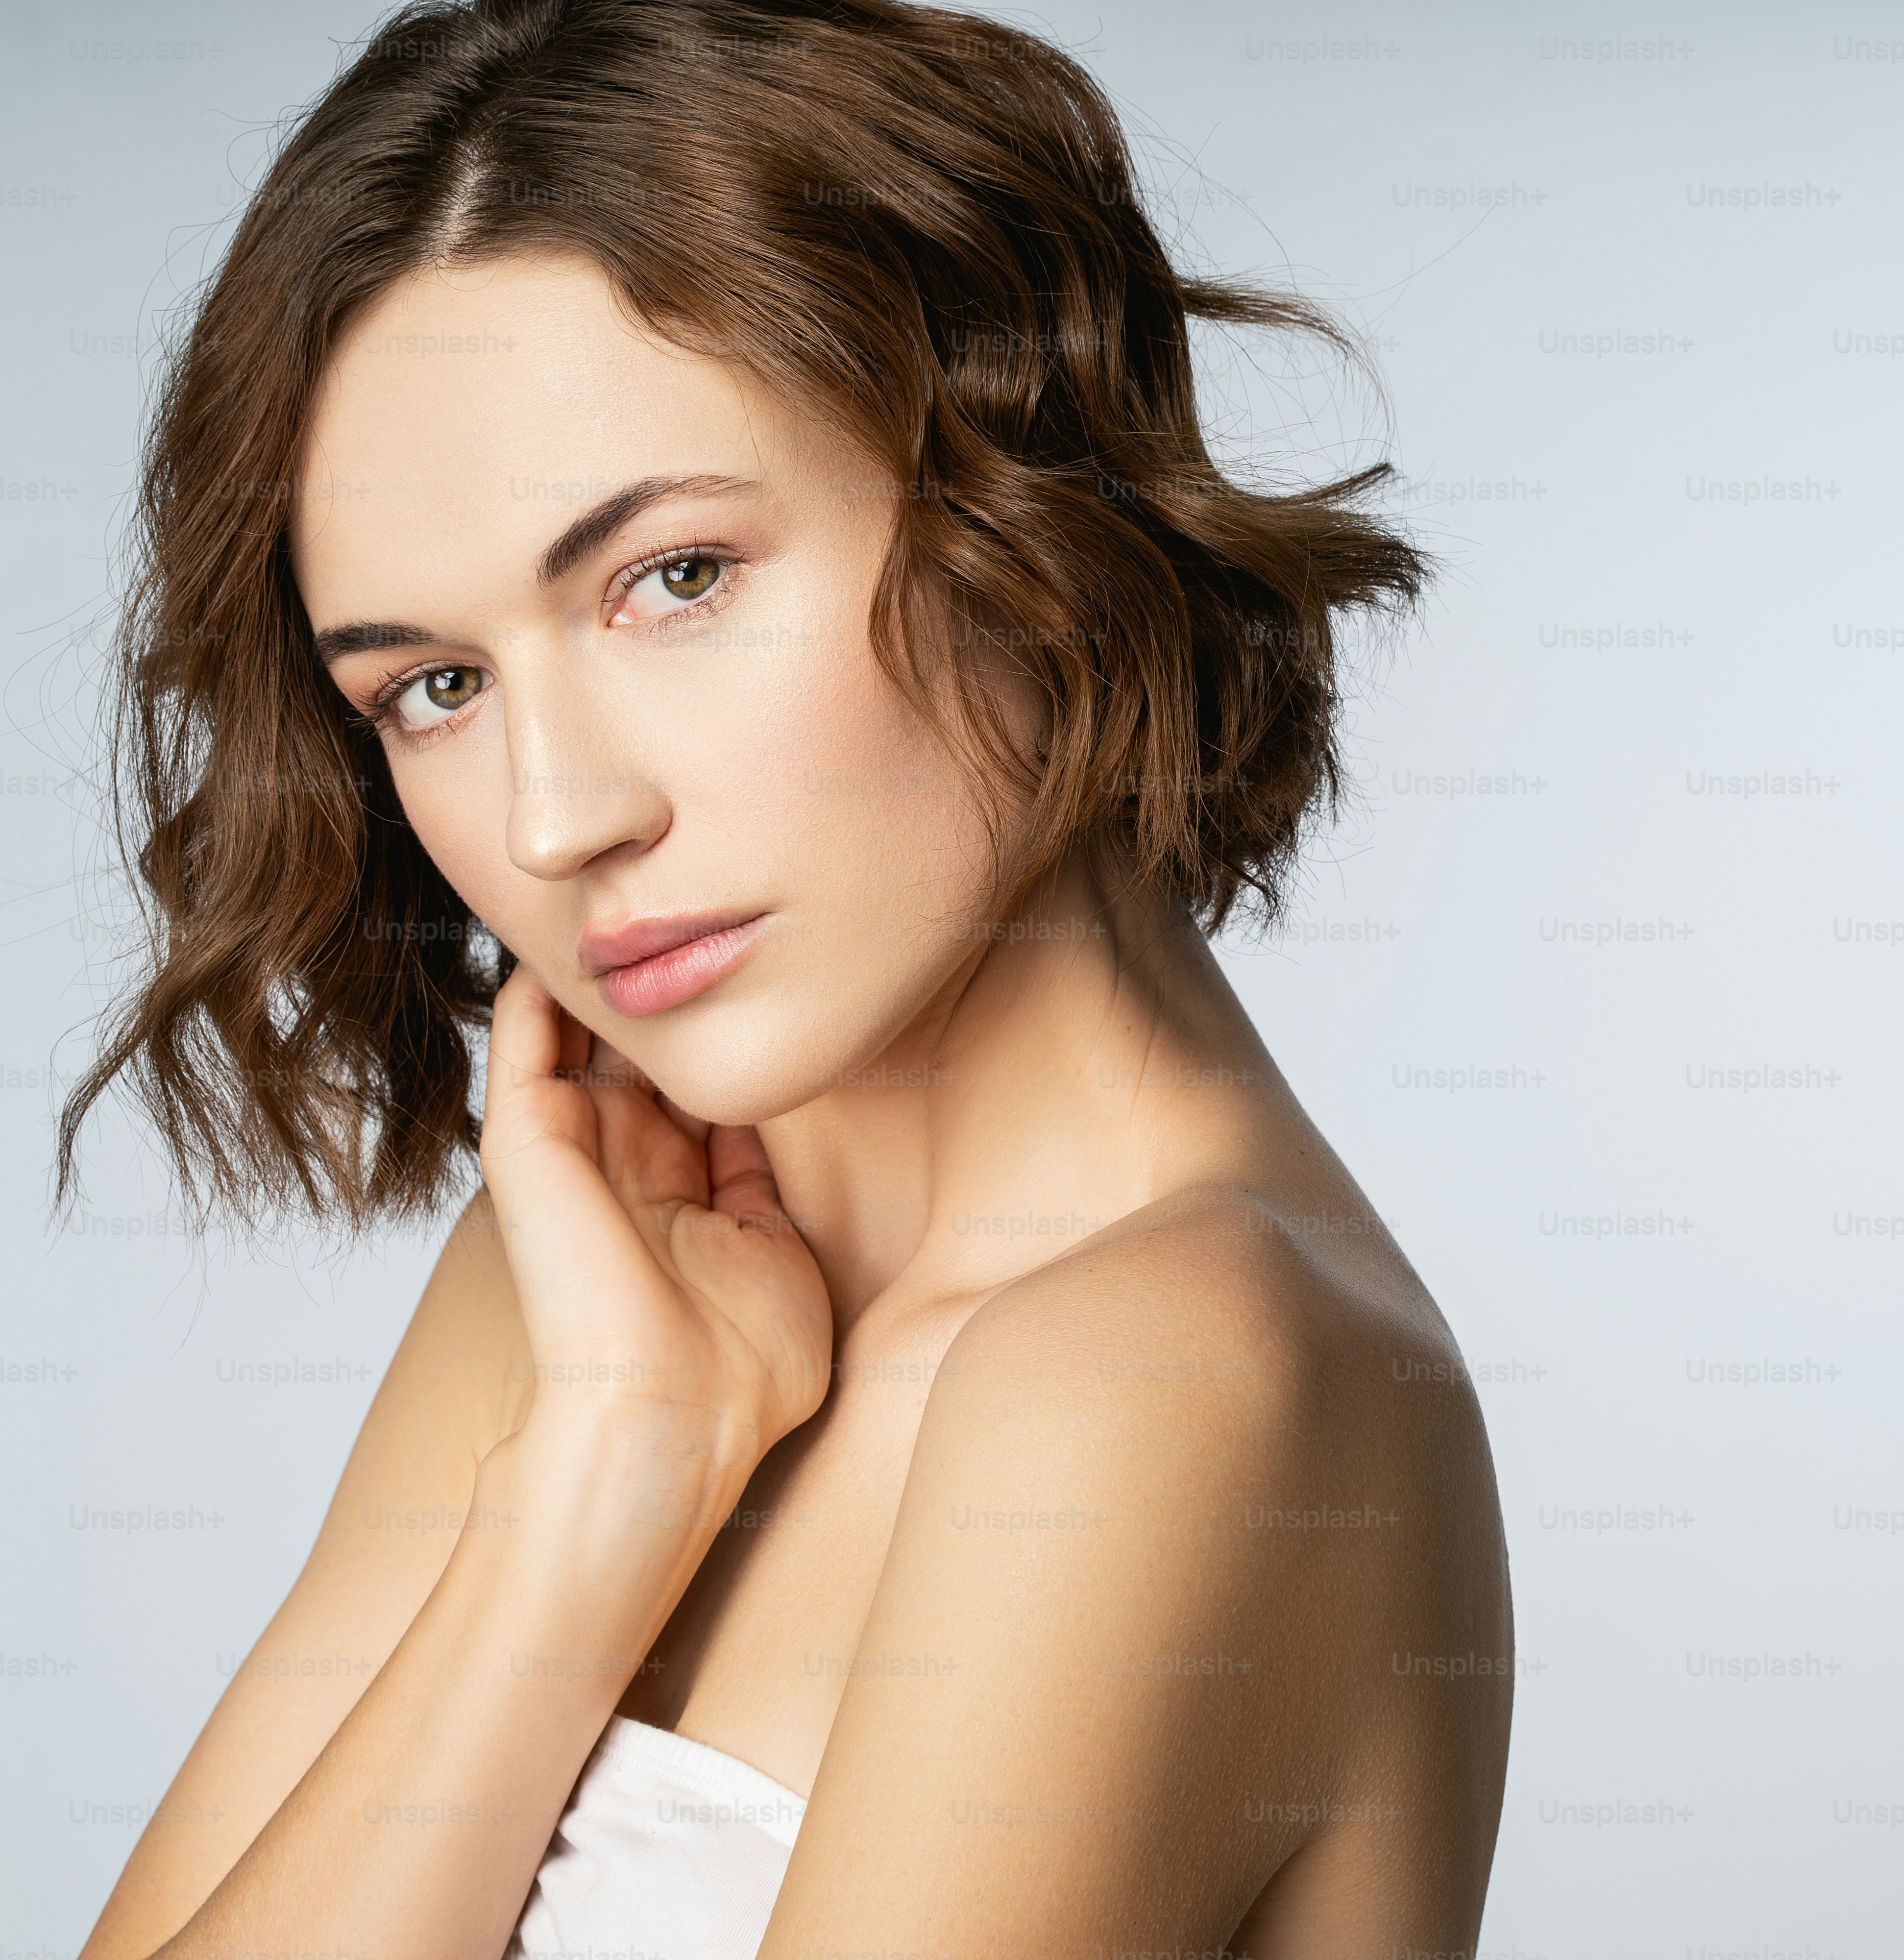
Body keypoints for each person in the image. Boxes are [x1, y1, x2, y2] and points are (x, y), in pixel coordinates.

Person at [57, 3, 1513, 1954]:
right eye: (438, 687)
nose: (558, 815)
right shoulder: (608, 1289)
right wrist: (603, 1485)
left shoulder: (1177, 1370)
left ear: (1019, 490)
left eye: (675, 578)